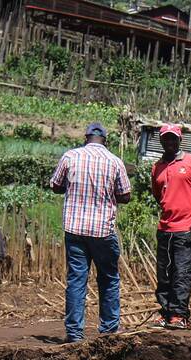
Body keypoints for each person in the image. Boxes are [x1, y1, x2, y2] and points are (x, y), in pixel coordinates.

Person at [49, 121, 132, 344]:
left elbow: (55, 186)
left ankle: (75, 334)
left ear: (86, 138)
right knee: (108, 279)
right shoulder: (114, 162)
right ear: (105, 140)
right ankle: (108, 330)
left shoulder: (70, 157)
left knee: (77, 279)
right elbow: (125, 195)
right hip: (102, 230)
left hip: (75, 229)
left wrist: (73, 187)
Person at [150, 123, 191, 330]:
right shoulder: (157, 167)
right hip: (165, 228)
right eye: (166, 138)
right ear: (162, 140)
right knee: (164, 274)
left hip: (186, 228)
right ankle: (165, 312)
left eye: (173, 138)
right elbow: (158, 195)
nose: (170, 142)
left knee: (181, 273)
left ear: (180, 139)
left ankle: (179, 315)